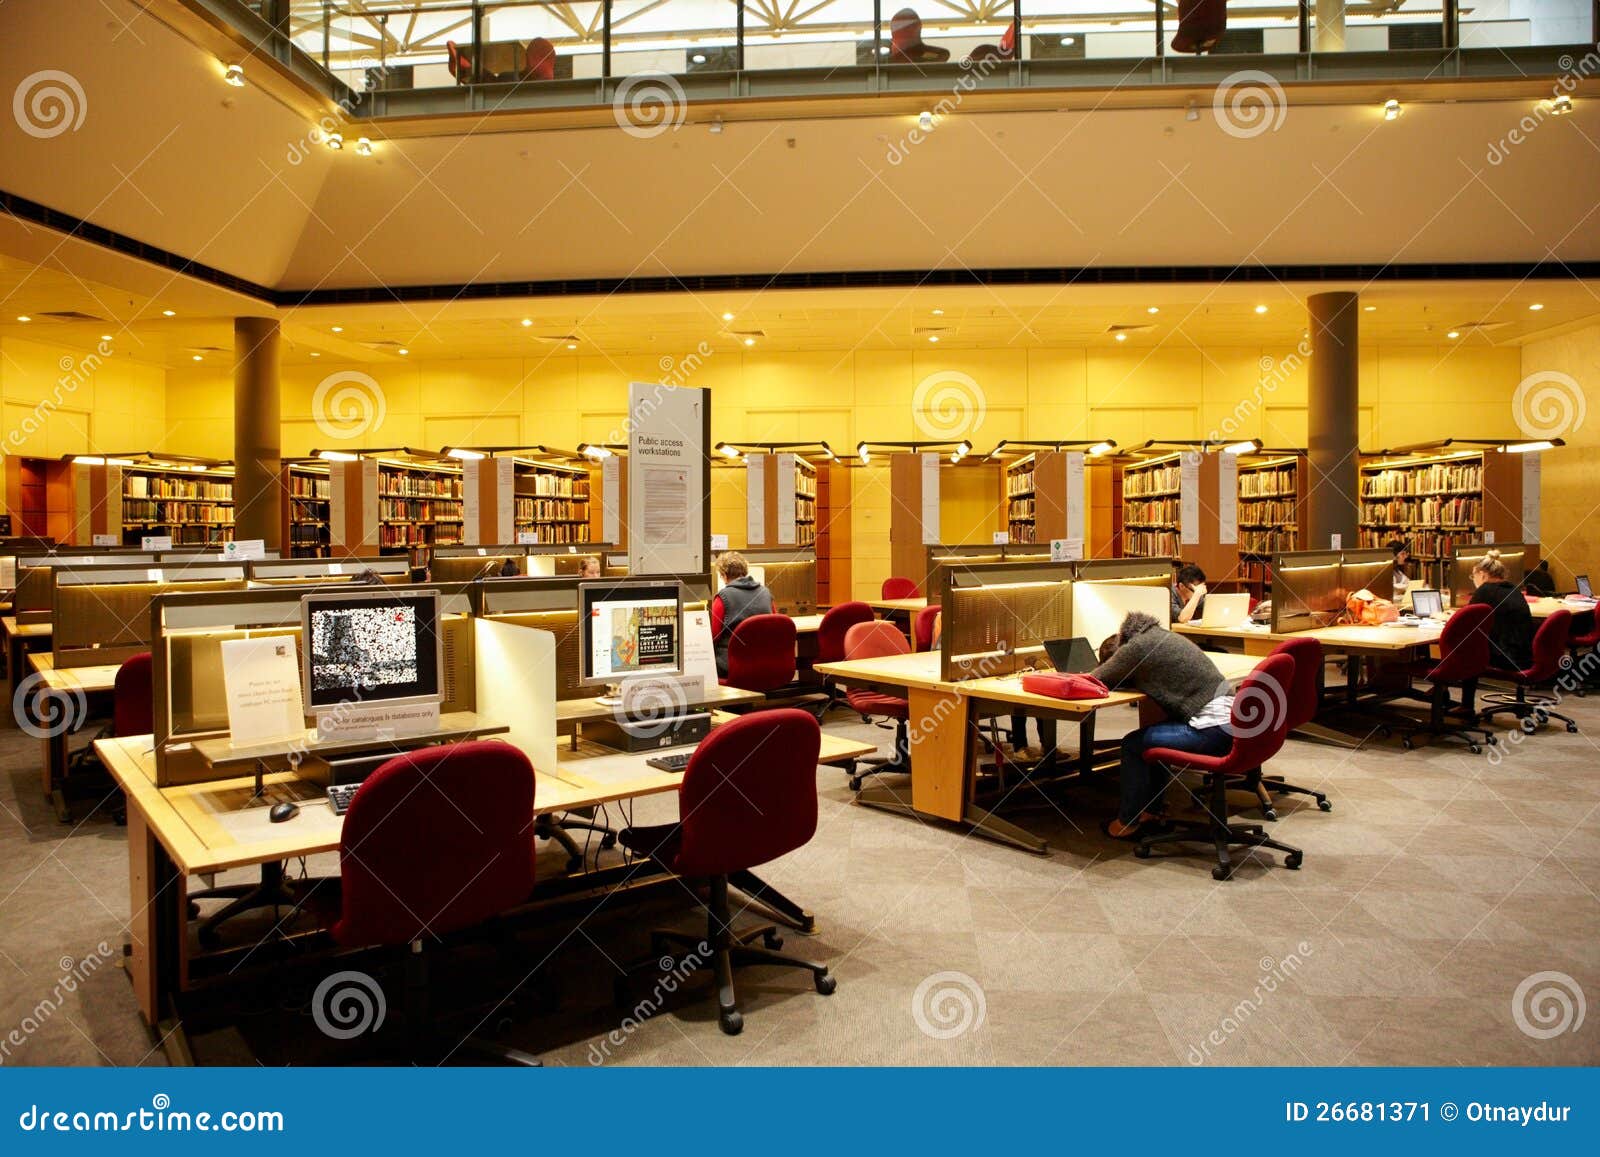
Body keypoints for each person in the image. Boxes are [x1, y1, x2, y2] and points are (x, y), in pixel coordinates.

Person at [1090, 612, 1236, 839]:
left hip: (1213, 730)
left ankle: (1127, 822)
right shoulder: (1161, 636)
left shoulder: (1135, 648)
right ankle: (1152, 811)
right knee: (1155, 734)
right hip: (1233, 722)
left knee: (1132, 744)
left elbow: (1096, 678)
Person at [1469, 549, 1534, 671]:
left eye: (1473, 576)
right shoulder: (1513, 589)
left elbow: (1466, 621)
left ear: (1482, 575)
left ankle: (1449, 681)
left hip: (1505, 658)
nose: (1473, 579)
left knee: (1465, 644)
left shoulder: (1484, 591)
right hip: (1523, 655)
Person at [711, 551, 773, 677]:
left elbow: (713, 635)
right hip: (764, 661)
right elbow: (775, 625)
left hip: (730, 665)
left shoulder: (723, 597)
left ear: (723, 575)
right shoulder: (766, 593)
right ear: (745, 571)